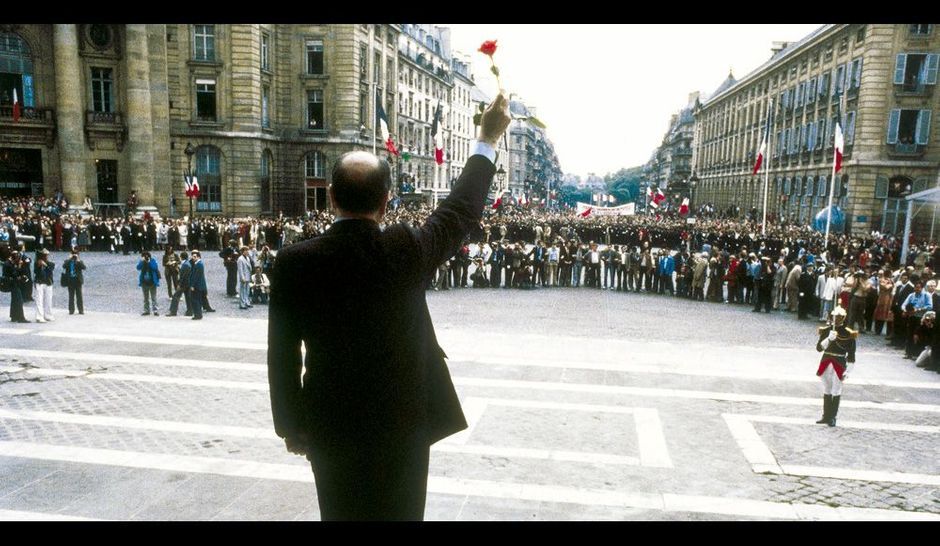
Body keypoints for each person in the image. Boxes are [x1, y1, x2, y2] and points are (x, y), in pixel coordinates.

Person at [267, 92, 510, 521]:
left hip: (331, 422)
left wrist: (291, 426)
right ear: (385, 203)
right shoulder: (404, 248)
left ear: (330, 199)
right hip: (404, 421)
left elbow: (282, 356)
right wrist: (487, 139)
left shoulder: (293, 262)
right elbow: (459, 212)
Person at [815, 306, 856, 427]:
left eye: (838, 317)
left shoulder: (848, 333)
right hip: (826, 362)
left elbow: (851, 354)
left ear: (843, 317)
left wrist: (848, 370)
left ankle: (833, 417)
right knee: (827, 390)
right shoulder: (827, 330)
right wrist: (828, 339)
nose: (836, 319)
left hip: (839, 363)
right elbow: (819, 348)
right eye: (834, 316)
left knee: (836, 391)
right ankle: (826, 416)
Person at [2, 250, 30, 323]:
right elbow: (15, 273)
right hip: (12, 283)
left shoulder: (9, 262)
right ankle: (21, 318)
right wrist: (19, 266)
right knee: (19, 300)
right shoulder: (8, 264)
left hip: (13, 283)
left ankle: (13, 316)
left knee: (14, 300)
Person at [33, 248, 55, 323]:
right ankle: (39, 316)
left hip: (48, 282)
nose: (45, 257)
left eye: (46, 255)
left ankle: (48, 315)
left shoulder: (51, 263)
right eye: (44, 255)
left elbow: (50, 271)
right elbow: (35, 271)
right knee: (39, 300)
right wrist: (39, 266)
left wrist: (45, 265)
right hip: (39, 282)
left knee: (48, 300)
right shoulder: (37, 263)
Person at [136, 250, 161, 316]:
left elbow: (154, 267)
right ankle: (146, 310)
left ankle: (155, 310)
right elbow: (138, 268)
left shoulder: (153, 261)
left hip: (152, 282)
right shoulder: (142, 261)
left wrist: (149, 262)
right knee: (145, 298)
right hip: (144, 282)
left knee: (153, 297)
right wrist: (142, 261)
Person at [167, 251, 191, 317]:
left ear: (181, 257)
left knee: (175, 297)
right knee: (188, 298)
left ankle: (173, 311)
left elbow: (183, 276)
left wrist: (179, 284)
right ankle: (190, 311)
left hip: (183, 284)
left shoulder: (185, 265)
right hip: (188, 283)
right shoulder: (187, 264)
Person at [64, 249, 86, 315]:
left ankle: (81, 310)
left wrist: (78, 260)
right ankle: (71, 310)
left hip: (78, 281)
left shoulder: (79, 261)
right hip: (70, 280)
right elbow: (64, 266)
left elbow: (84, 267)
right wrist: (69, 259)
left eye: (75, 254)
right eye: (73, 254)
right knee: (71, 296)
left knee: (79, 296)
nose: (74, 256)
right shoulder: (68, 261)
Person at [188, 250, 207, 320]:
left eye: (194, 256)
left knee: (196, 300)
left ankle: (198, 315)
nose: (193, 258)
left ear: (198, 257)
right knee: (197, 300)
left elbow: (196, 276)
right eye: (192, 256)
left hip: (197, 286)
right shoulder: (198, 264)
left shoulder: (199, 265)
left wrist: (192, 285)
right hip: (199, 285)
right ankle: (198, 314)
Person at [237, 245, 252, 310]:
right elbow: (240, 269)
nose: (247, 252)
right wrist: (242, 277)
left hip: (248, 276)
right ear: (243, 251)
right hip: (244, 277)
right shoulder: (240, 259)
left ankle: (247, 302)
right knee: (242, 290)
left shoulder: (247, 258)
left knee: (247, 290)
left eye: (247, 250)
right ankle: (242, 304)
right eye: (246, 250)